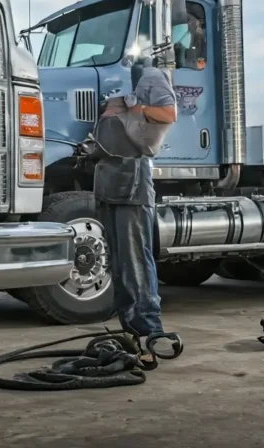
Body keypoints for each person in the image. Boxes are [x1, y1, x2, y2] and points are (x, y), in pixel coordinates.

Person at [90, 57, 178, 359]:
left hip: (131, 184)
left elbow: (168, 113)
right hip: (110, 182)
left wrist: (136, 108)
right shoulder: (121, 79)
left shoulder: (150, 76)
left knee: (135, 262)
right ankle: (131, 330)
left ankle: (150, 331)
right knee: (119, 262)